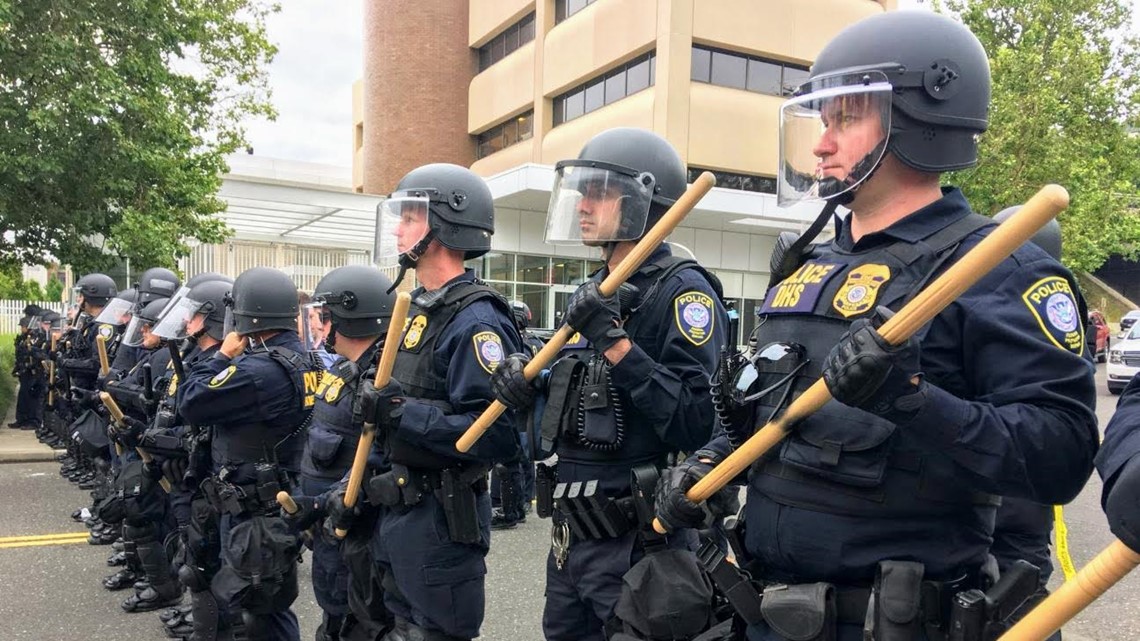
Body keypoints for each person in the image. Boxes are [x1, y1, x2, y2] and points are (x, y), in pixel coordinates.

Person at [654, 12, 1098, 641]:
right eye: (823, 120)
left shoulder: (997, 267)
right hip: (766, 615)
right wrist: (708, 465)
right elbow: (771, 416)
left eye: (847, 118)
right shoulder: (809, 267)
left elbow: (1061, 456)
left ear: (922, 118)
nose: (821, 143)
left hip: (892, 623)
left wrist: (911, 399)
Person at [489, 127, 728, 641]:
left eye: (599, 192)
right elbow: (573, 398)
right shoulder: (594, 290)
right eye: (581, 192)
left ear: (644, 201)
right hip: (569, 540)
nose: (583, 204)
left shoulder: (683, 292)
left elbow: (697, 421)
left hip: (640, 544)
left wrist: (617, 345)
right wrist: (526, 387)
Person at [328, 162, 523, 641]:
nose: (398, 229)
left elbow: (496, 433)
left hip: (441, 518)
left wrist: (401, 412)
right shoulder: (415, 309)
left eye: (410, 218)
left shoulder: (475, 320)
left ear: (445, 223)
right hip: (395, 510)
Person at [179, 267, 313, 641]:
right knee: (264, 602)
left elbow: (190, 402)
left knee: (262, 609)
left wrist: (220, 356)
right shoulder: (302, 359)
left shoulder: (258, 370)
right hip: (273, 497)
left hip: (252, 506)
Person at [287, 265, 396, 641]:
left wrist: (322, 506)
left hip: (360, 535)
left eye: (322, 316)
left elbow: (382, 459)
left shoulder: (380, 382)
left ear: (349, 316)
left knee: (358, 623)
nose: (316, 325)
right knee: (333, 618)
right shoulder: (344, 370)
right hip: (331, 531)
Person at [489, 300, 546, 529]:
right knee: (524, 455)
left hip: (512, 405)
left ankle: (511, 508)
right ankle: (522, 501)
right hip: (528, 406)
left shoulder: (513, 341)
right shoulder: (534, 342)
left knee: (509, 458)